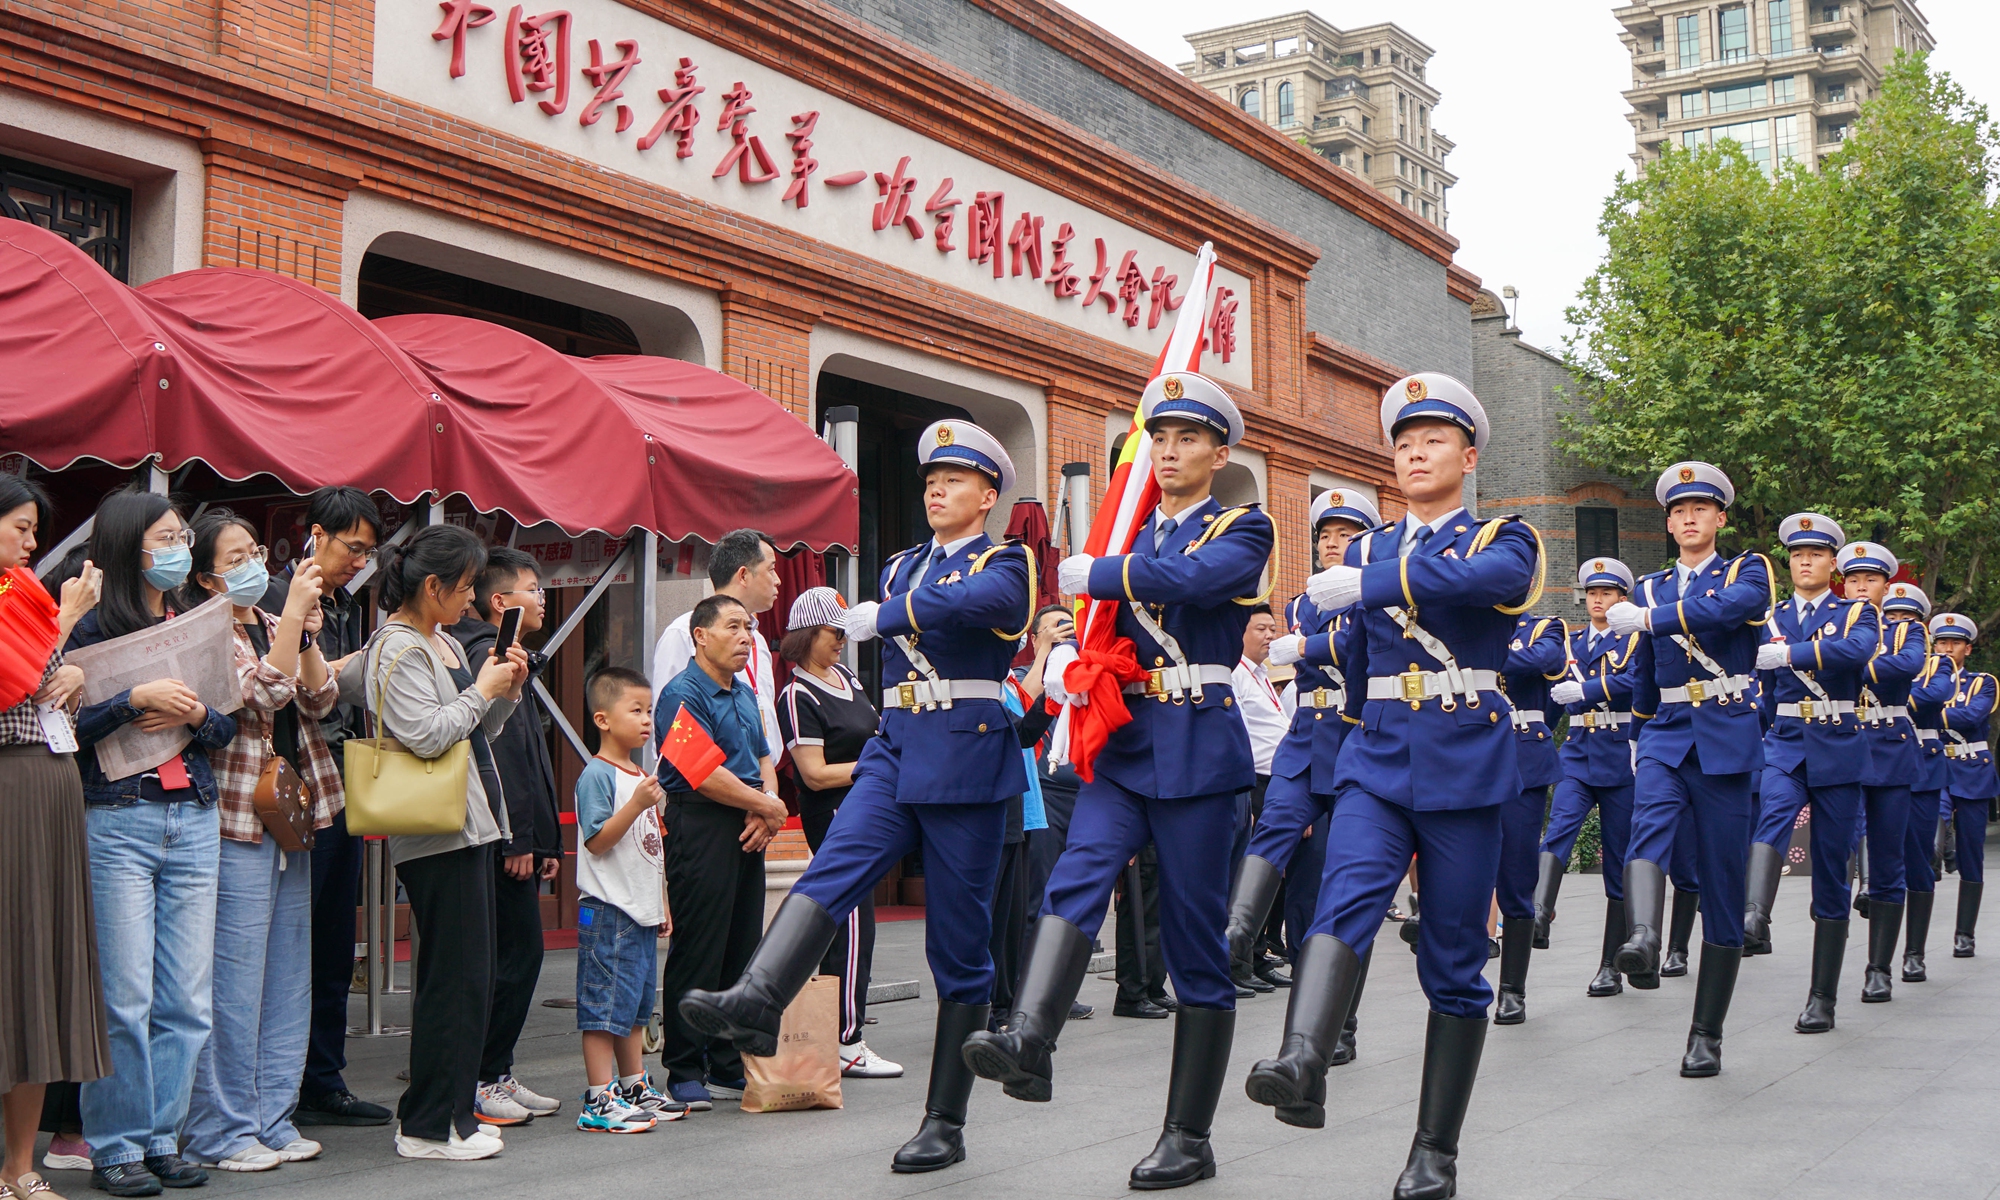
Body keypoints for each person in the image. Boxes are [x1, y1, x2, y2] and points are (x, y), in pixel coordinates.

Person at [681, 420, 1032, 1174]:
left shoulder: (1009, 561)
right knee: (833, 867)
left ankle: (946, 1119)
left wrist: (894, 615)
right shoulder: (903, 563)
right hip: (897, 747)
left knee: (960, 945)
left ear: (988, 494)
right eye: (930, 479)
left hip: (969, 758)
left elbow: (993, 605)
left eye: (955, 480)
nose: (936, 490)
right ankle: (758, 997)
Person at [972, 372, 1273, 1190]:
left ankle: (1190, 1135)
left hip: (1202, 752)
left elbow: (1196, 584)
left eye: (1186, 439)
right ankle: (1030, 1037)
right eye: (1157, 439)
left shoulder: (1245, 525)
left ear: (1219, 451)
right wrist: (1073, 646)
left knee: (1194, 948)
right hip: (1128, 740)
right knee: (1075, 878)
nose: (1169, 452)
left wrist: (1101, 574)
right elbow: (1110, 619)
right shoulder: (1128, 527)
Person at [1244, 374, 1540, 1200]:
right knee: (1343, 898)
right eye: (1403, 441)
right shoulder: (1368, 544)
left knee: (1451, 959)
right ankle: (1304, 1058)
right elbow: (1364, 667)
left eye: (1433, 439)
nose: (1414, 452)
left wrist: (1371, 585)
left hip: (1465, 769)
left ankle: (1434, 1150)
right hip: (1376, 759)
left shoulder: (1502, 540)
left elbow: (1487, 590)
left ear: (1468, 456)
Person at [69, 491, 240, 1196]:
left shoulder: (193, 621)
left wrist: (199, 711)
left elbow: (225, 730)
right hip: (117, 818)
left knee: (186, 1000)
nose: (178, 549)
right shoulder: (84, 633)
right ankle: (113, 1145)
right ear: (125, 546)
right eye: (164, 538)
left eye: (180, 538)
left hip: (195, 816)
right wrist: (131, 701)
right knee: (124, 996)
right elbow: (63, 734)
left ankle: (162, 1137)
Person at [338, 525, 527, 1161]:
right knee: (452, 979)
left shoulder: (438, 641)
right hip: (435, 832)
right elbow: (424, 735)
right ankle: (426, 1126)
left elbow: (472, 735)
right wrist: (482, 691)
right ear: (432, 586)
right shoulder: (395, 645)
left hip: (464, 822)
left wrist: (503, 691)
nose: (472, 601)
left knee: (469, 976)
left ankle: (451, 1118)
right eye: (467, 587)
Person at [180, 512, 342, 1173]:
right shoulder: (200, 631)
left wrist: (301, 631)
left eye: (255, 551)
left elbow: (321, 697)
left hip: (294, 813)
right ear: (205, 576)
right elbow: (262, 695)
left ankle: (273, 1117)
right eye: (236, 555)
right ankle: (222, 1130)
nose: (253, 564)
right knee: (236, 980)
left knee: (286, 978)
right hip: (238, 816)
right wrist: (294, 617)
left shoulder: (272, 621)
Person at [1603, 463, 1772, 1078]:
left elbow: (1735, 610)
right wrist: (1636, 731)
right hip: (1666, 734)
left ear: (1720, 518)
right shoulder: (1649, 585)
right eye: (1678, 511)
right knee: (1648, 827)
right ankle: (1643, 938)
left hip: (1726, 737)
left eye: (1701, 509)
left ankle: (1707, 1033)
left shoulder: (1746, 570)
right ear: (1669, 522)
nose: (1689, 519)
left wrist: (1651, 619)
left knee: (1724, 886)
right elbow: (1645, 672)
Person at [264, 488, 391, 1131]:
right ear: (316, 534)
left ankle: (323, 1077)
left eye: (367, 553)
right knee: (287, 938)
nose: (357, 563)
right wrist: (341, 666)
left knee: (336, 937)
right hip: (282, 785)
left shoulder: (345, 604)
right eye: (353, 548)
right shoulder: (270, 598)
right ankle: (274, 1085)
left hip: (338, 782)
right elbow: (278, 689)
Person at [1244, 488, 1381, 1058]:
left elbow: (1355, 647)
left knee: (1339, 889)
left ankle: (1341, 1022)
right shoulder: (1300, 603)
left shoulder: (1379, 601)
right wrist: (1304, 644)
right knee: (1280, 850)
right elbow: (1286, 650)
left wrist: (1305, 647)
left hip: (1357, 743)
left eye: (1346, 536)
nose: (1331, 543)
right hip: (1306, 742)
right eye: (1325, 535)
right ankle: (1238, 934)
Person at [0, 478, 107, 1200]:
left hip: (48, 786)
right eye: (21, 528)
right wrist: (63, 627)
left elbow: (50, 687)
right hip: (12, 789)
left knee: (39, 970)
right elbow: (12, 682)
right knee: (14, 967)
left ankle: (20, 1164)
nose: (33, 543)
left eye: (36, 530)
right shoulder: (28, 605)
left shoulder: (25, 597)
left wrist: (65, 660)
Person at [1741, 514, 1878, 1033]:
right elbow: (1758, 683)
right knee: (1772, 810)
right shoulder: (1771, 617)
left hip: (1838, 745)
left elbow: (1856, 653)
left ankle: (1823, 997)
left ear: (1833, 564)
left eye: (1816, 554)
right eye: (1798, 555)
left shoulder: (1856, 614)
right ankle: (1755, 916)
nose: (1805, 561)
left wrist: (1793, 654)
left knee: (1830, 866)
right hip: (1785, 742)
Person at [654, 595, 787, 1111]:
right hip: (701, 822)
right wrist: (765, 806)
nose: (745, 636)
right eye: (733, 626)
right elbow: (699, 770)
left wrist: (766, 808)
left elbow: (762, 757)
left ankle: (728, 1063)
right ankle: (684, 1067)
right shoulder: (680, 693)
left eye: (749, 627)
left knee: (741, 947)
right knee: (698, 947)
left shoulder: (746, 692)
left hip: (748, 822)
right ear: (700, 636)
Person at [450, 548, 565, 1126]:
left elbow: (529, 757)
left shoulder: (511, 654)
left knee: (518, 955)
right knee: (508, 958)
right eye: (532, 588)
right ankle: (480, 1076)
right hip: (497, 836)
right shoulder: (484, 654)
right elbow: (494, 756)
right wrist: (520, 838)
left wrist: (544, 843)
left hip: (516, 836)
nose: (542, 597)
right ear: (500, 602)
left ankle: (495, 1071)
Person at [773, 587, 900, 1078]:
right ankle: (846, 1039)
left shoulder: (847, 677)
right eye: (833, 633)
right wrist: (876, 764)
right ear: (807, 636)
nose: (842, 642)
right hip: (831, 814)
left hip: (864, 808)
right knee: (850, 924)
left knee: (856, 925)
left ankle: (841, 1031)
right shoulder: (797, 693)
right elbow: (814, 773)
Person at [571, 668, 678, 1134]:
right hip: (609, 910)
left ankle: (633, 1086)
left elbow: (652, 849)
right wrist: (636, 805)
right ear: (602, 719)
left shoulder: (639, 774)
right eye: (634, 710)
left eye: (649, 710)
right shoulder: (597, 774)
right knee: (602, 1010)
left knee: (634, 1007)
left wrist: (662, 904)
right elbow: (597, 841)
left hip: (638, 909)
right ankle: (599, 1097)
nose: (645, 719)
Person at [1541, 559, 1643, 998]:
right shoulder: (1572, 642)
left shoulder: (1637, 639)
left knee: (1618, 865)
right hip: (1579, 753)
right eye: (1592, 592)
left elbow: (1638, 681)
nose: (1597, 599)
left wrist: (1587, 691)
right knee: (1558, 830)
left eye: (1607, 592)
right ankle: (1539, 913)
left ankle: (1610, 966)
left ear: (1623, 598)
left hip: (1622, 755)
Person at [1837, 542, 1926, 1003]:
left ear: (1885, 587)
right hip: (1843, 746)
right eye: (1852, 580)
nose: (1859, 587)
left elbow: (1908, 667)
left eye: (1869, 580)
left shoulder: (1905, 631)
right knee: (1840, 852)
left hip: (1890, 749)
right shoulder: (1828, 623)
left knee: (1889, 857)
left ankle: (1879, 968)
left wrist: (1848, 658)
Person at [1491, 608, 1567, 1025]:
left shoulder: (1545, 626)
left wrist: (1480, 654)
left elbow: (1543, 661)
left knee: (1518, 875)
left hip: (1522, 753)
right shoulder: (1465, 620)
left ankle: (1512, 990)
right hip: (1470, 753)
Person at [651, 530, 782, 764]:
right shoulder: (684, 632)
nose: (777, 580)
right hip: (707, 783)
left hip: (760, 782)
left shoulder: (758, 640)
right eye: (771, 569)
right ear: (743, 575)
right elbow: (670, 728)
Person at [1929, 613, 1993, 956]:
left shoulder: (1982, 683)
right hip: (1935, 764)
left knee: (1972, 855)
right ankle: (1938, 853)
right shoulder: (1921, 679)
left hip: (1972, 769)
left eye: (1954, 643)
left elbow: (1971, 716)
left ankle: (1964, 933)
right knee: (1932, 828)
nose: (1947, 649)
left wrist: (1924, 709)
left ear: (1967, 648)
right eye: (1941, 642)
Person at [1231, 607, 1287, 988]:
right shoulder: (1236, 675)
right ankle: (1238, 962)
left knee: (1274, 876)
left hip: (1276, 783)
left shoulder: (1263, 675)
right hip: (1253, 785)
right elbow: (1239, 735)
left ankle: (1258, 954)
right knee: (1249, 876)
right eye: (1261, 629)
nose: (1269, 635)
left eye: (1272, 628)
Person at [1898, 586, 1949, 980]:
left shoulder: (1938, 666)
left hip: (1919, 769)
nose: (1898, 625)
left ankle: (1914, 950)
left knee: (1915, 856)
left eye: (1907, 620)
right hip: (1867, 758)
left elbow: (1933, 696)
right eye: (1892, 617)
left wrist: (1898, 683)